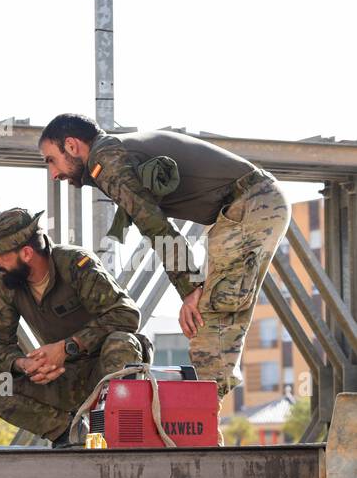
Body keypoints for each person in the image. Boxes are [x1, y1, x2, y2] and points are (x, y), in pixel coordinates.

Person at [39, 114, 290, 405]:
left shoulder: (106, 157)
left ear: (71, 145)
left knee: (212, 313)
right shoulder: (112, 152)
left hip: (250, 204)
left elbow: (154, 225)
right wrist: (192, 286)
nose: (53, 174)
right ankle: (205, 418)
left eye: (50, 161)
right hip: (245, 206)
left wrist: (190, 288)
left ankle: (203, 424)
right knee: (218, 310)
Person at [0, 208, 143, 446]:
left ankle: (118, 437)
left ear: (26, 253)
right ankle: (67, 433)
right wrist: (23, 365)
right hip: (60, 378)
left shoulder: (76, 264)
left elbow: (126, 315)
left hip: (104, 370)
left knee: (122, 342)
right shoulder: (6, 285)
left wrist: (68, 347)